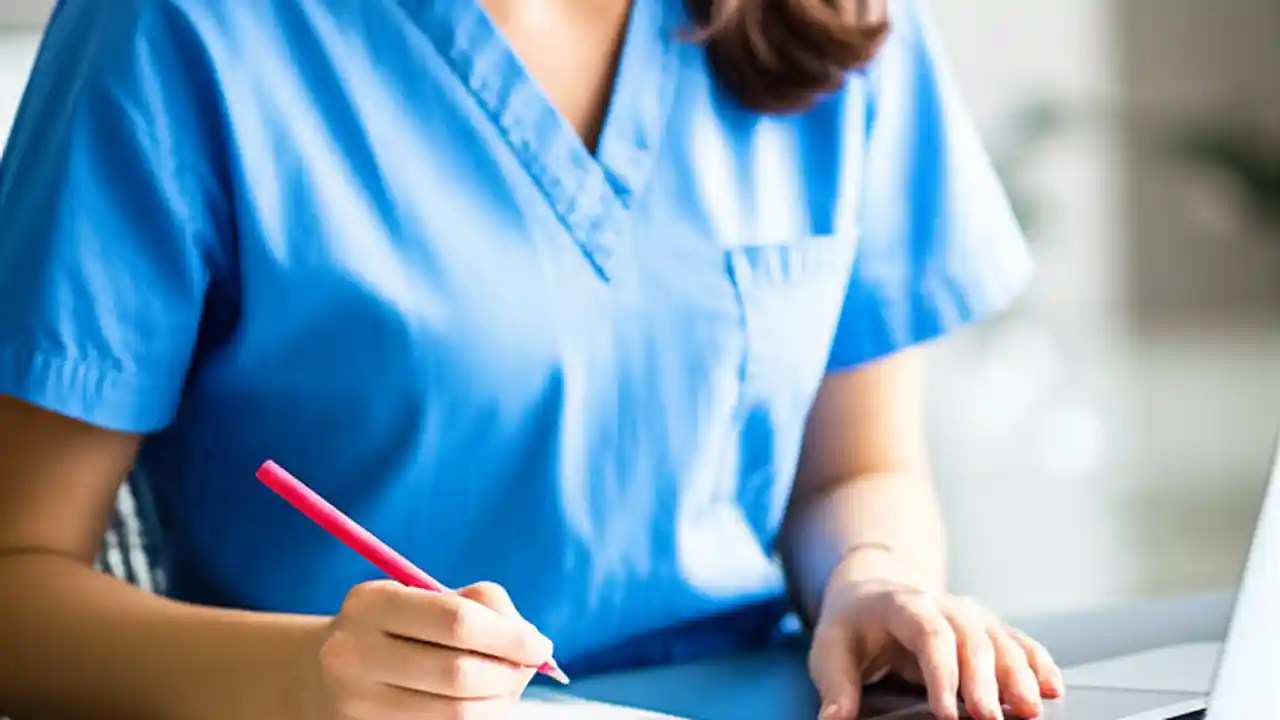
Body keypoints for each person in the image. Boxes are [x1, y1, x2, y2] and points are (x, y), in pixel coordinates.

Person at [0, 0, 1064, 718]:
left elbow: (853, 470)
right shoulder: (174, 31)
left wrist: (866, 580)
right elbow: (16, 591)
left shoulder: (832, 20)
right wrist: (310, 678)